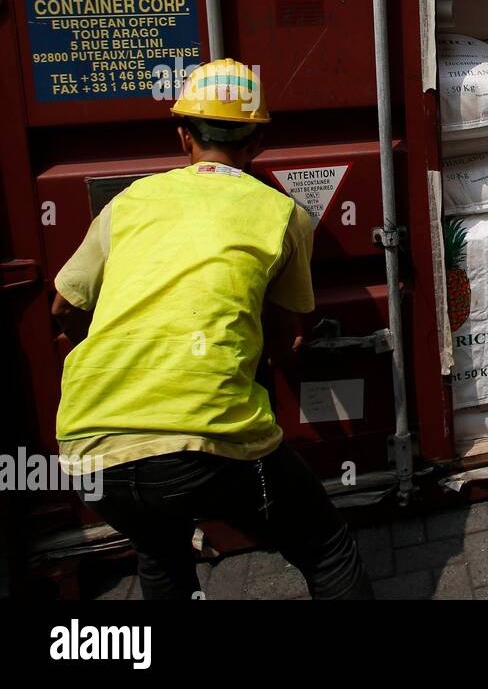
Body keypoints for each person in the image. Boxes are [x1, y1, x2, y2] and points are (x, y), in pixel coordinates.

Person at [52, 58, 372, 599]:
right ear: (258, 142)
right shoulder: (281, 214)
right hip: (205, 436)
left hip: (90, 448)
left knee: (159, 555)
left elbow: (63, 307)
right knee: (325, 548)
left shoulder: (128, 201)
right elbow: (289, 335)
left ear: (183, 137)